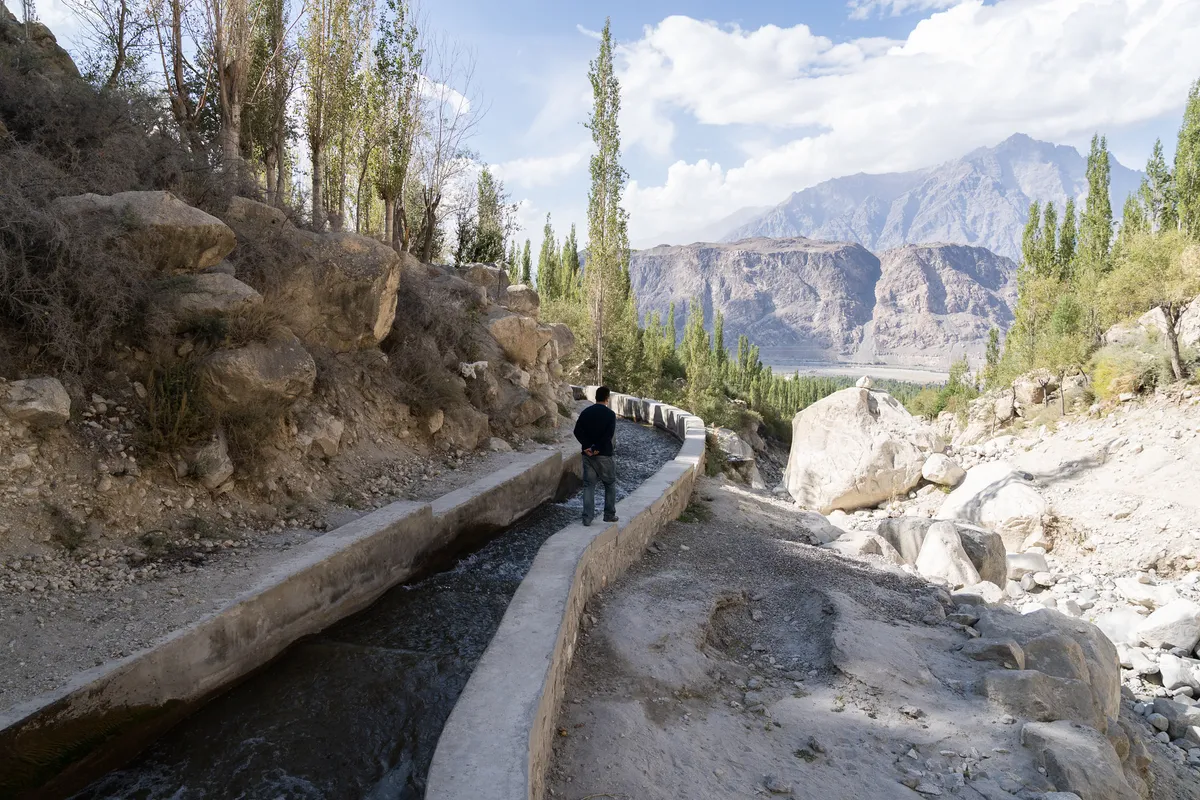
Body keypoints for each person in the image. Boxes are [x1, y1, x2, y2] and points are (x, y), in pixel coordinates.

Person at [573, 385, 618, 526]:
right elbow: (608, 435)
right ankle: (609, 515)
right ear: (607, 398)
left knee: (588, 485)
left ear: (595, 397)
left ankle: (587, 518)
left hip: (587, 455)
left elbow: (577, 431)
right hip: (603, 454)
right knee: (609, 484)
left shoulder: (585, 412)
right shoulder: (610, 415)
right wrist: (597, 448)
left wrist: (587, 447)